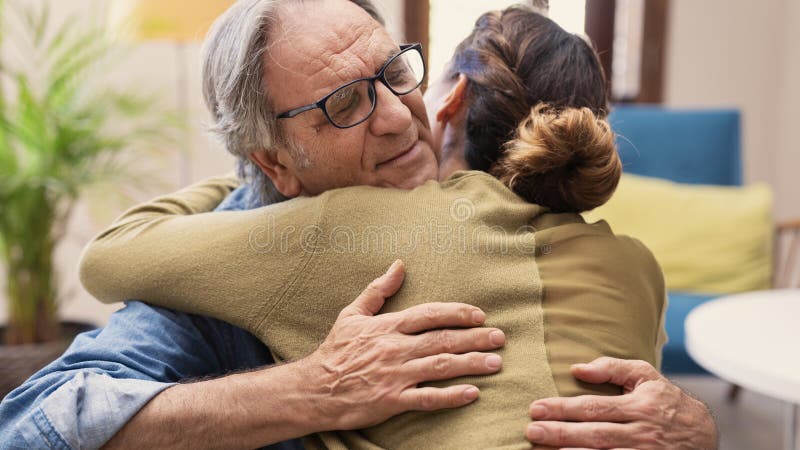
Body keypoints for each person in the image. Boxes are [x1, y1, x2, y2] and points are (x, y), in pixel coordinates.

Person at [0, 1, 718, 449]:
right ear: (275, 162)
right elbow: (33, 426)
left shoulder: (499, 202)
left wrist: (695, 428)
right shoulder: (230, 259)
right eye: (343, 105)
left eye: (395, 73)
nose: (396, 115)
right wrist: (308, 390)